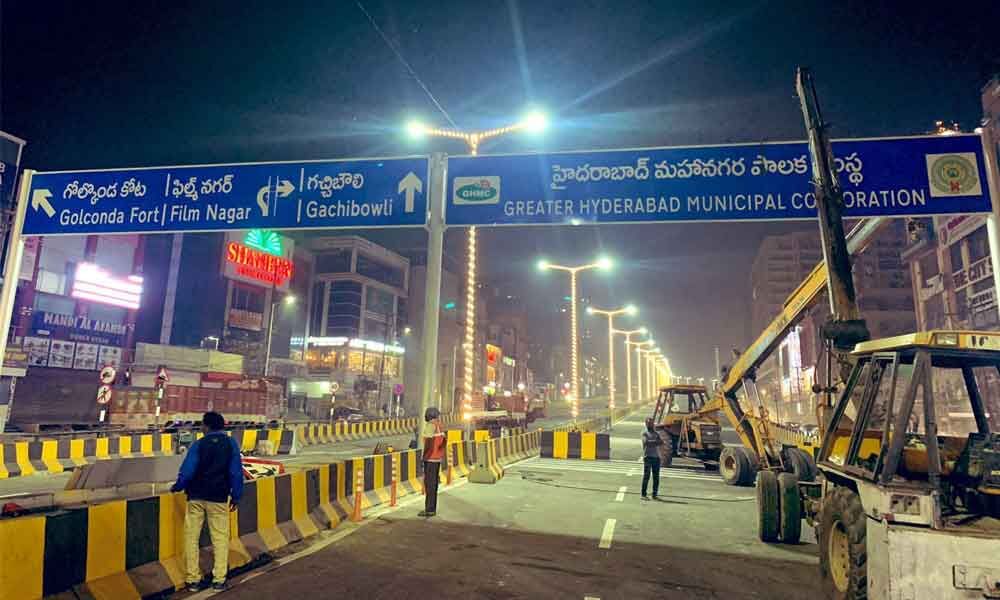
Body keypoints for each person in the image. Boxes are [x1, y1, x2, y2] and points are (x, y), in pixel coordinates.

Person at [171, 411, 244, 592]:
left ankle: (193, 579)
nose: (201, 428)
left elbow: (188, 470)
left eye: (203, 424)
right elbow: (235, 472)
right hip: (218, 497)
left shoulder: (199, 444)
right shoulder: (230, 444)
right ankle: (219, 579)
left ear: (207, 426)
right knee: (220, 538)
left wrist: (178, 486)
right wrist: (236, 496)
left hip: (196, 497)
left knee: (191, 537)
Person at [420, 406, 446, 517]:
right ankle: (432, 508)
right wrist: (439, 454)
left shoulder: (431, 426)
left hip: (430, 459)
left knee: (429, 485)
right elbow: (443, 443)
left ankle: (429, 509)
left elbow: (428, 443)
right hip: (437, 459)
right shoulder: (440, 426)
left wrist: (424, 457)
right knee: (434, 485)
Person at [641, 417, 663, 500]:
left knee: (656, 477)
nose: (650, 424)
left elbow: (661, 442)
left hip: (656, 457)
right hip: (648, 457)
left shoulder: (656, 433)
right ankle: (643, 494)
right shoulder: (644, 433)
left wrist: (652, 442)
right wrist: (656, 442)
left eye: (651, 423)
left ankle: (654, 494)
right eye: (648, 423)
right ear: (646, 424)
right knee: (646, 476)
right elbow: (646, 442)